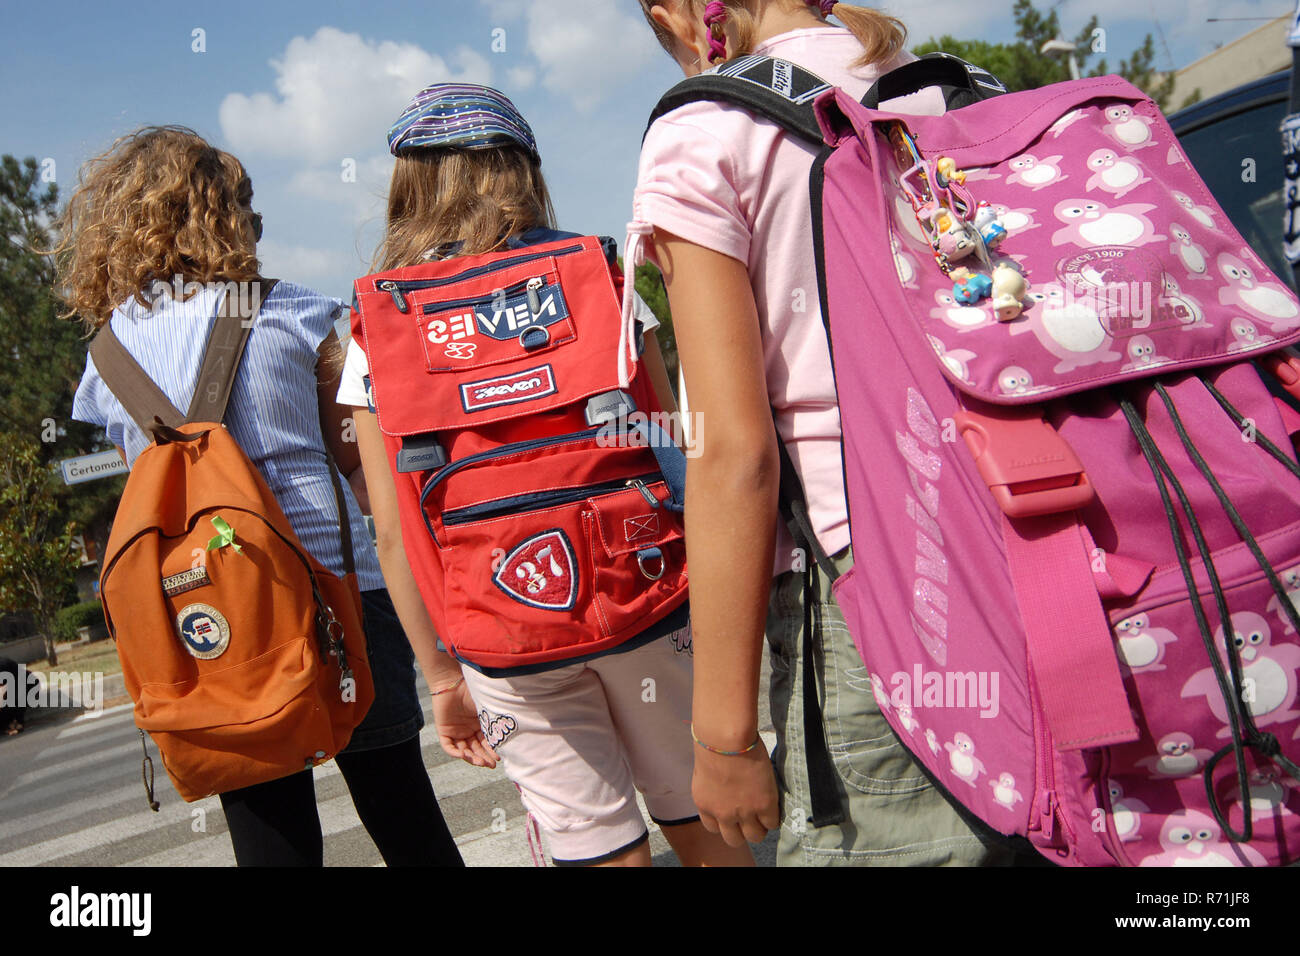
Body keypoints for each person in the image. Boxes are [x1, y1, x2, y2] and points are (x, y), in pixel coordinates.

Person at [632, 0, 1014, 865]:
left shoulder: (707, 126)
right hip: (1044, 533)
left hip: (874, 579)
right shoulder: (957, 88)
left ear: (673, 13)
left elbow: (735, 453)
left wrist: (723, 736)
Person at [340, 83, 753, 867]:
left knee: (600, 849)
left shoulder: (380, 327)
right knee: (703, 824)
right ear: (523, 170)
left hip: (500, 627)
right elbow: (670, 445)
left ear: (407, 185)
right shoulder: (597, 275)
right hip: (647, 593)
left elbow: (392, 530)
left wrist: (439, 674)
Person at [58, 125, 463, 867]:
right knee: (401, 808)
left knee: (268, 830)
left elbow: (151, 484)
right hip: (334, 585)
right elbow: (357, 461)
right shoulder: (294, 312)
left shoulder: (106, 354)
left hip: (208, 607)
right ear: (225, 213)